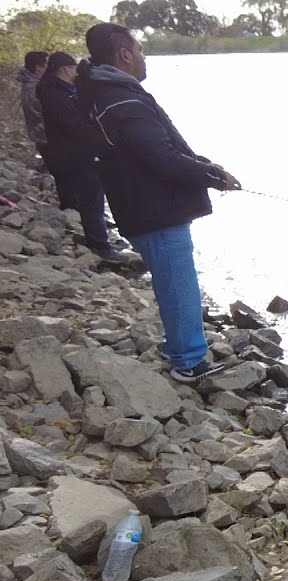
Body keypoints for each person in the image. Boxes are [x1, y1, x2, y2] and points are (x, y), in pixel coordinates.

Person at [76, 23, 240, 383]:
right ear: (124, 54)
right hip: (154, 209)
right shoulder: (121, 98)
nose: (143, 57)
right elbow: (161, 157)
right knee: (179, 285)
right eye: (140, 50)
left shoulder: (103, 92)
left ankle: (179, 348)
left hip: (139, 205)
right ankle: (188, 363)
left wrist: (208, 170)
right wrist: (213, 174)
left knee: (170, 282)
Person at [35, 52, 124, 264]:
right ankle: (101, 246)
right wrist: (100, 135)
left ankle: (96, 239)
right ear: (65, 69)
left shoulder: (56, 89)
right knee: (92, 196)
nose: (76, 71)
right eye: (74, 68)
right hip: (73, 155)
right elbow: (72, 124)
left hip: (69, 153)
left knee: (88, 198)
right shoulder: (54, 92)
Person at [15, 51, 74, 209]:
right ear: (38, 68)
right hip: (46, 137)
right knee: (64, 174)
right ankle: (70, 209)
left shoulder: (33, 84)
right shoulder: (35, 88)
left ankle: (70, 207)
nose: (51, 68)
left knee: (62, 175)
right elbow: (48, 113)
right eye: (47, 64)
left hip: (43, 137)